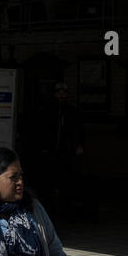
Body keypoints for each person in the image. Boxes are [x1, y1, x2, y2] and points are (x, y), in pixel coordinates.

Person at [37, 82, 84, 215]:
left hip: (66, 152)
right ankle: (49, 209)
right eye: (59, 93)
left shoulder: (72, 112)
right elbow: (40, 131)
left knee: (66, 181)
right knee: (48, 181)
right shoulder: (47, 111)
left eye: (64, 93)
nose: (61, 95)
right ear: (54, 94)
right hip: (50, 152)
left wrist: (78, 145)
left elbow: (79, 130)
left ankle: (65, 209)